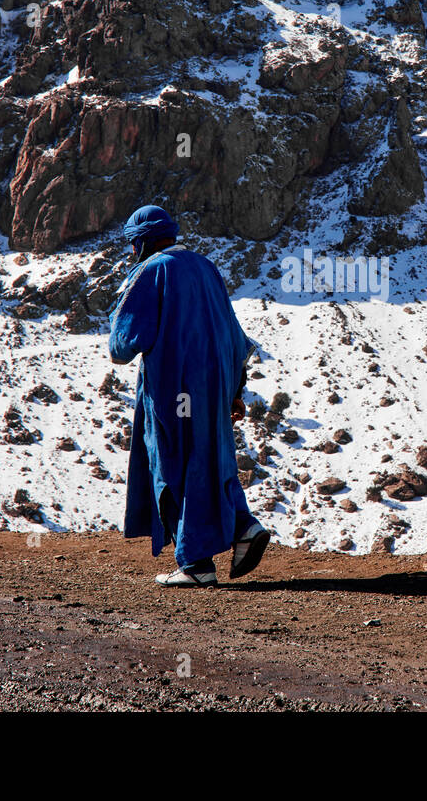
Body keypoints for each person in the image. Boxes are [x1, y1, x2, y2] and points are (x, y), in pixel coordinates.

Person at [107, 204, 270, 586]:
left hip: (174, 390)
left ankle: (196, 564)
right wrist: (233, 391)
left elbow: (122, 346)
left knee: (175, 467)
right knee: (212, 462)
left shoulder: (151, 271)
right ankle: (244, 527)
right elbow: (234, 334)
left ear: (140, 243)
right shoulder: (205, 267)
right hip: (214, 388)